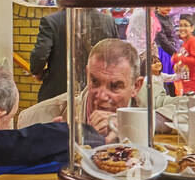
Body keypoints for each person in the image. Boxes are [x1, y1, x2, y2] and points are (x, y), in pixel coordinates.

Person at [19, 38, 153, 142]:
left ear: (136, 86)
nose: (101, 95)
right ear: (87, 74)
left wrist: (131, 123)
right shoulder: (36, 119)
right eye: (95, 82)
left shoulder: (149, 101)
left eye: (115, 86)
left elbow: (173, 110)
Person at [28, 0, 118, 103]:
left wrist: (36, 71)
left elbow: (40, 53)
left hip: (59, 94)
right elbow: (116, 55)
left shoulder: (52, 21)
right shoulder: (107, 21)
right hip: (99, 92)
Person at [171, 15, 195, 96]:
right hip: (186, 86)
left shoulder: (193, 41)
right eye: (180, 25)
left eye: (185, 25)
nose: (182, 28)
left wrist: (178, 58)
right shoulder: (185, 43)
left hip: (194, 87)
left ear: (192, 28)